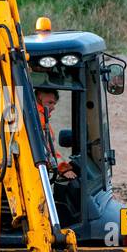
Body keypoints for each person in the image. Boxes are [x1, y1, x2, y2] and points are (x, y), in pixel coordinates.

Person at [33, 87, 81, 222]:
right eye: (50, 103)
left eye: (54, 103)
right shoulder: (37, 120)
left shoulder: (38, 117)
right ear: (39, 98)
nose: (53, 107)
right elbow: (46, 151)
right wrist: (63, 169)